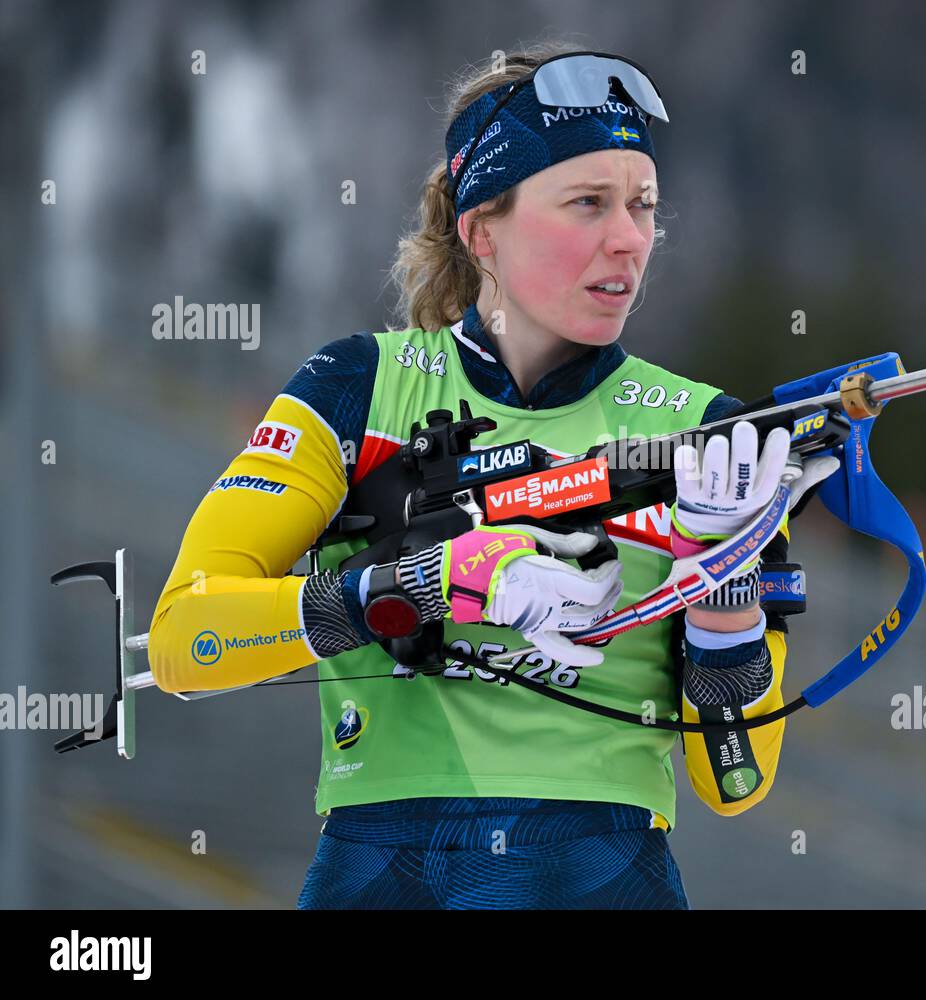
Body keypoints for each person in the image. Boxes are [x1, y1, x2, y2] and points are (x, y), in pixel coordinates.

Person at [147, 43, 836, 910]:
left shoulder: (708, 429)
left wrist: (725, 600)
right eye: (587, 203)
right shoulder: (357, 387)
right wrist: (426, 583)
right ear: (482, 232)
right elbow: (183, 641)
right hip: (386, 867)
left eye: (644, 206)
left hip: (604, 870)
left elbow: (736, 782)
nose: (629, 239)